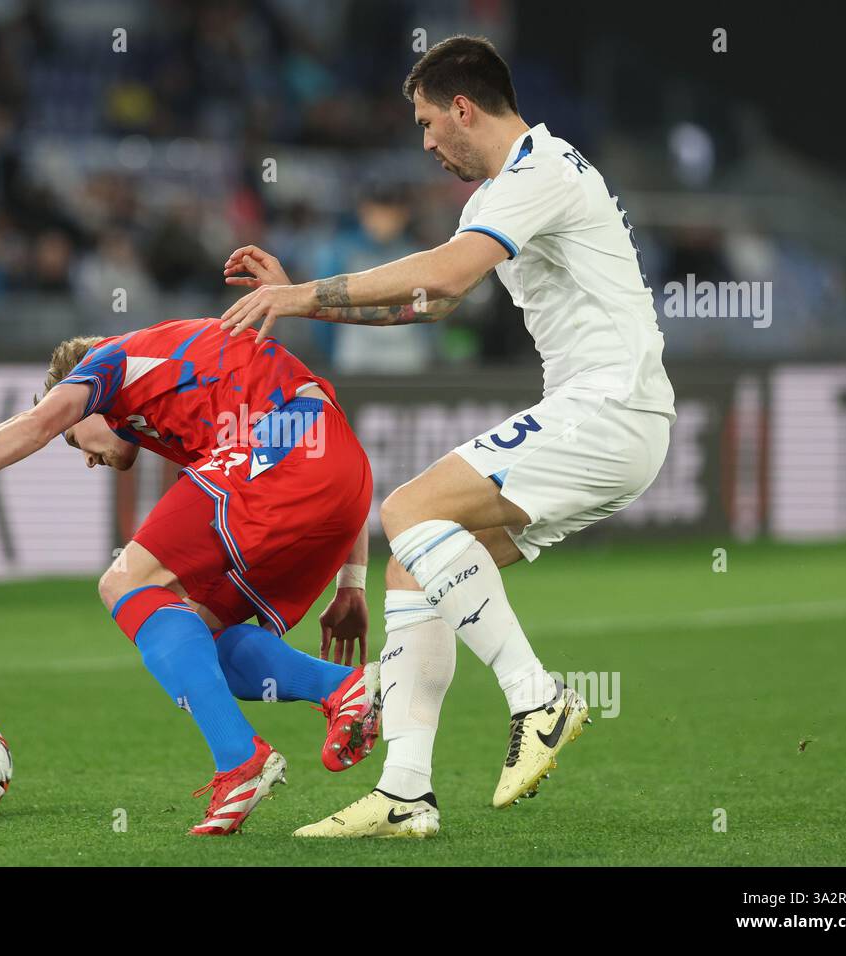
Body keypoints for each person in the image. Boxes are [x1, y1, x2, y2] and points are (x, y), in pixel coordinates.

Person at [220, 35, 676, 837]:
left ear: (464, 107)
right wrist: (303, 297)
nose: (426, 142)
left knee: (406, 508)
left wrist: (294, 303)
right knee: (411, 568)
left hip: (609, 405)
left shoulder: (542, 169)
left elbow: (443, 275)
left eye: (430, 122)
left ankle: (538, 697)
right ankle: (404, 793)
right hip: (612, 420)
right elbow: (424, 306)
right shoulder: (499, 196)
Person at [0, 317, 377, 835]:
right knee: (196, 629)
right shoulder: (187, 387)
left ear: (83, 399)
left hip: (283, 443)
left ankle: (239, 760)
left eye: (74, 439)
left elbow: (35, 422)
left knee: (122, 584)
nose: (86, 457)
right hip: (338, 473)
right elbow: (330, 433)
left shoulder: (111, 362)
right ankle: (345, 688)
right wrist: (352, 581)